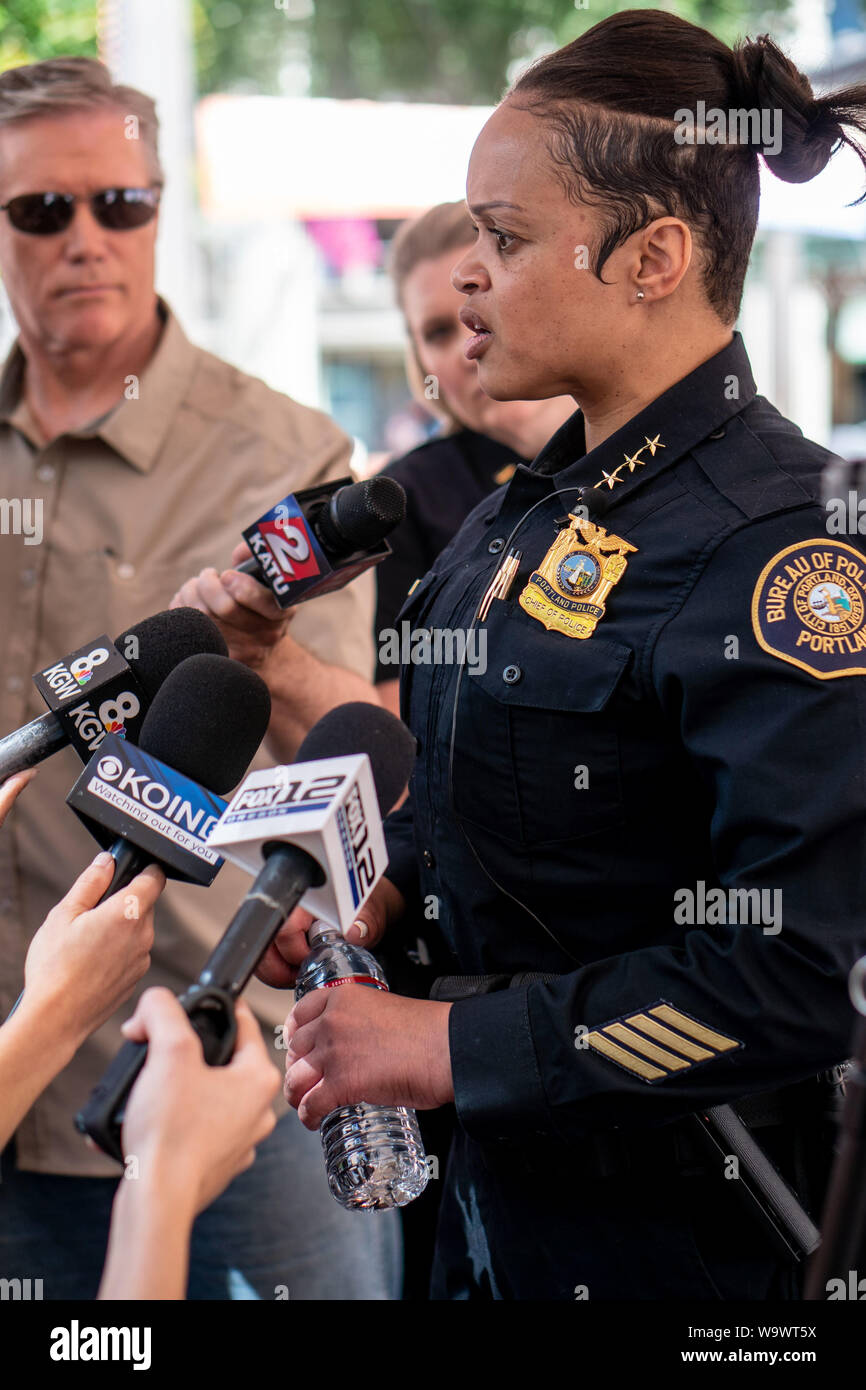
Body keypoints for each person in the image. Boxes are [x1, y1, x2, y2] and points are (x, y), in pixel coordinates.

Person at [269, 12, 866, 1299]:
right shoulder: (519, 513)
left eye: (504, 237)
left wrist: (448, 1042)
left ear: (653, 256)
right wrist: (386, 921)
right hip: (489, 1223)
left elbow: (799, 976)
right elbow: (511, 829)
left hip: (693, 1247)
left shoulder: (792, 552)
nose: (464, 275)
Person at [0, 57, 398, 1301]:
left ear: (161, 209)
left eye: (121, 204)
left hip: (222, 1063)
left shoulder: (285, 455)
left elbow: (348, 743)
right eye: (41, 209)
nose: (86, 239)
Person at [376, 201, 574, 715]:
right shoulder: (399, 502)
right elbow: (396, 714)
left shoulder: (656, 448)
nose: (469, 342)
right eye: (438, 332)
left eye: (483, 301)